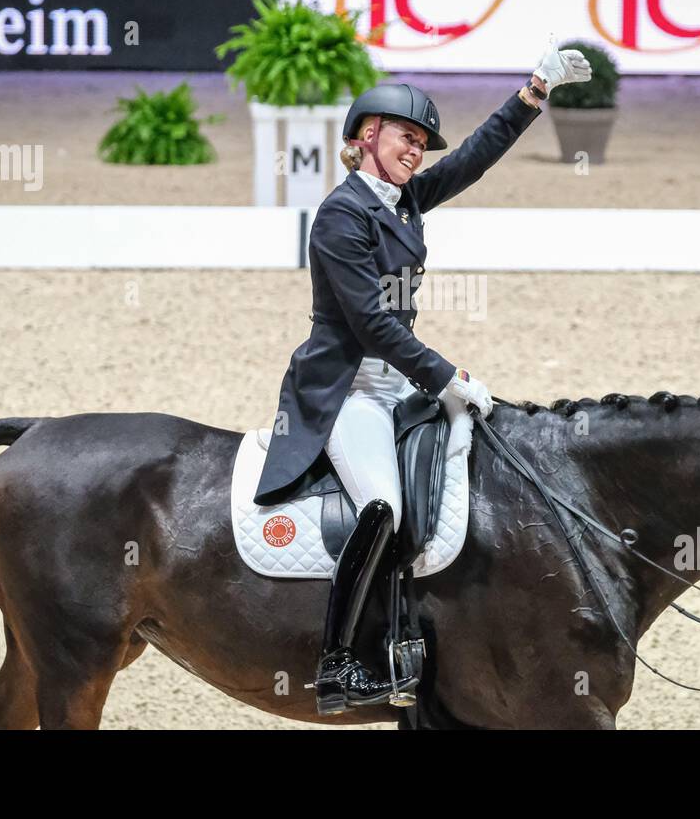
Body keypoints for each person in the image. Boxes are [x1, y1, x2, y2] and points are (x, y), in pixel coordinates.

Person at [252, 40, 592, 714]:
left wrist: (533, 92)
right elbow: (373, 327)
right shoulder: (341, 216)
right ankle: (341, 662)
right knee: (383, 506)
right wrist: (446, 376)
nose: (417, 151)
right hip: (349, 388)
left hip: (397, 382)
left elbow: (470, 160)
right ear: (366, 136)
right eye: (406, 138)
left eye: (420, 142)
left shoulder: (400, 201)